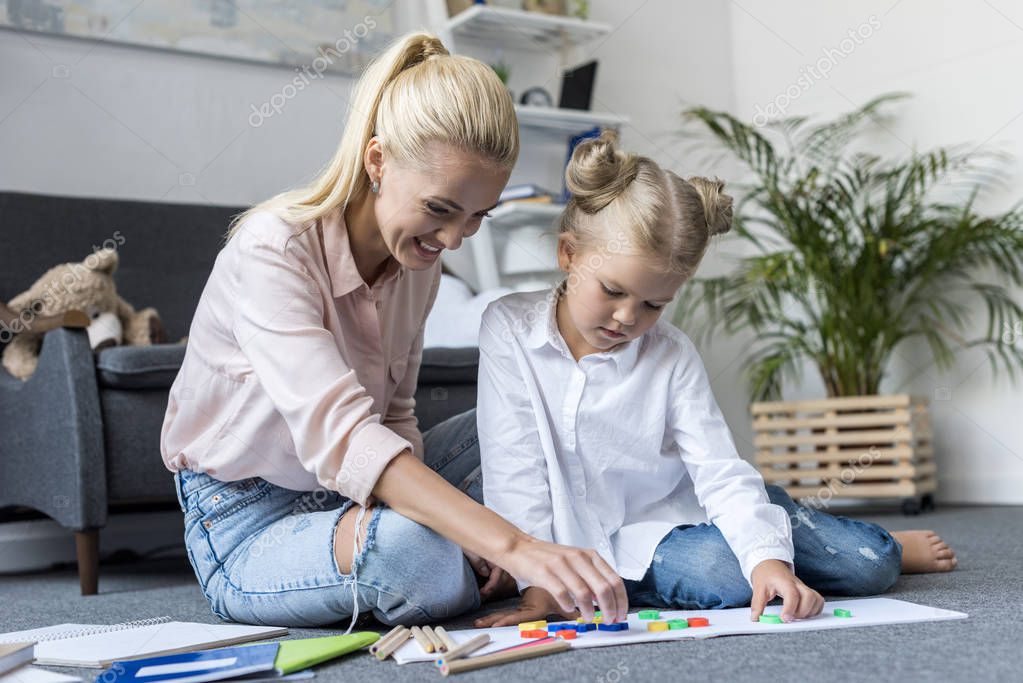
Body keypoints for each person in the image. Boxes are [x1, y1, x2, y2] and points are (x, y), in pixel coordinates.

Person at [160, 32, 628, 629]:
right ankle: (498, 563)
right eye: (439, 209)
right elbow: (349, 439)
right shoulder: (272, 249)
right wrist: (512, 544)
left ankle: (654, 543)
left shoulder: (416, 265)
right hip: (247, 519)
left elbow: (398, 416)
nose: (454, 239)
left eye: (477, 217)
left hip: (355, 496)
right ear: (377, 161)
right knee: (412, 554)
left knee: (542, 420)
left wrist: (479, 527)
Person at [474, 131, 957, 628]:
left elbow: (718, 468)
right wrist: (537, 583)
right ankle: (780, 536)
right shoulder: (507, 328)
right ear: (568, 254)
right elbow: (514, 465)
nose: (626, 317)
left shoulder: (671, 353)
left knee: (867, 563)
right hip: (605, 550)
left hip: (676, 517)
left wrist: (766, 558)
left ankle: (819, 533)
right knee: (722, 575)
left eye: (653, 304)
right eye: (613, 290)